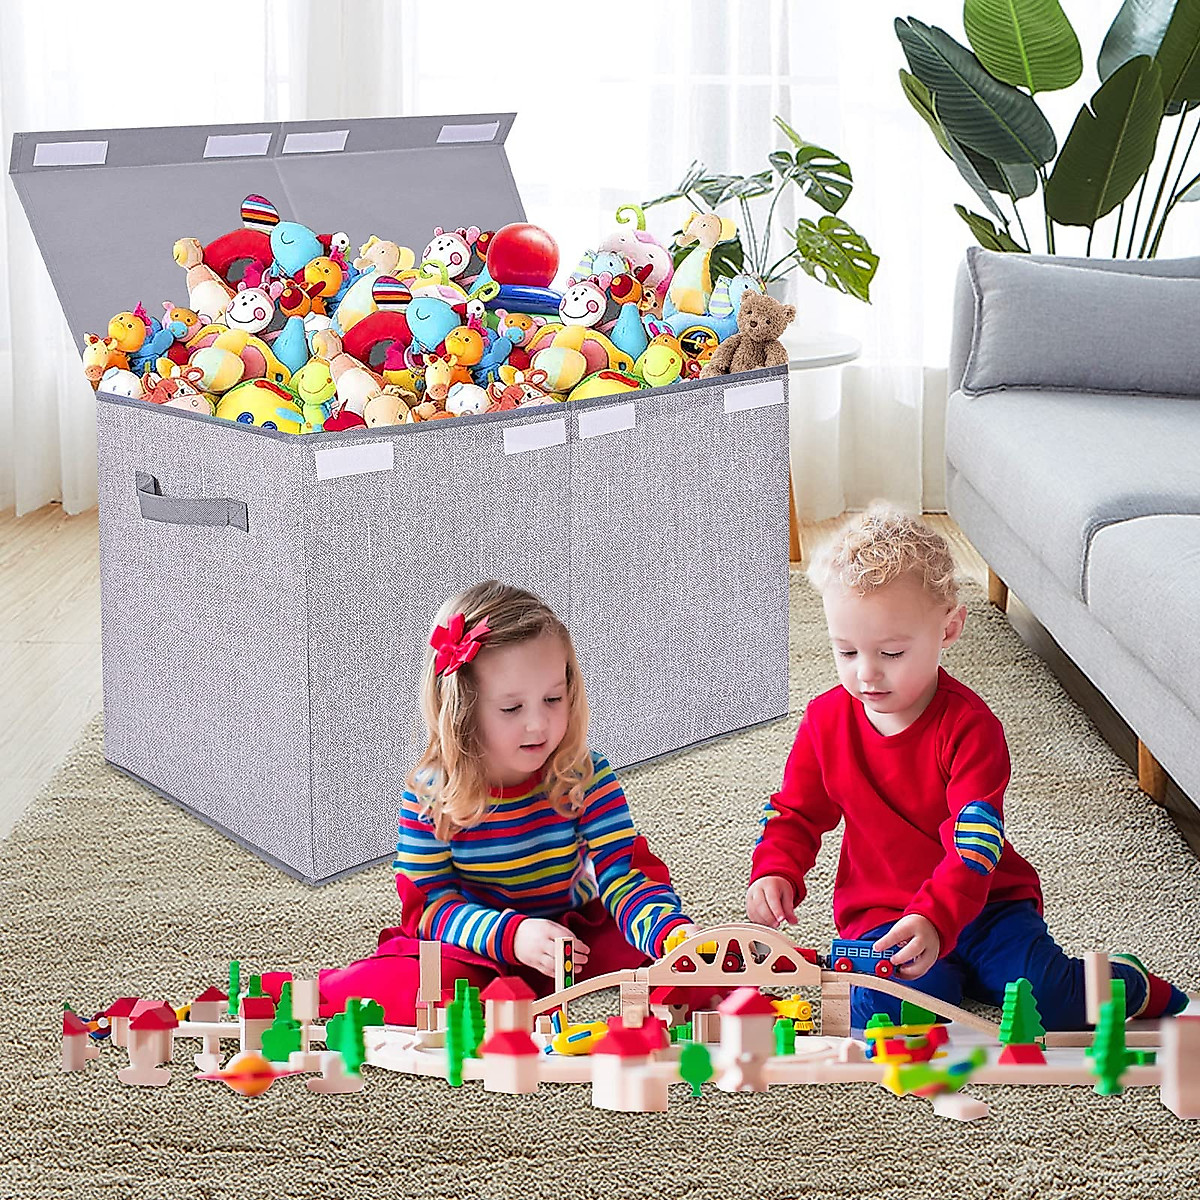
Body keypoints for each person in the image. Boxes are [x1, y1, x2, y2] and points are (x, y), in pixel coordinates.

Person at [746, 505, 1189, 1030]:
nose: (866, 674)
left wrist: (936, 919)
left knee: (1049, 999)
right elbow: (795, 811)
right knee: (888, 1013)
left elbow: (974, 845)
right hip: (883, 912)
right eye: (846, 652)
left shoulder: (970, 728)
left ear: (949, 628)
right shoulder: (824, 721)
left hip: (986, 905)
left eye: (891, 653)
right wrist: (775, 869)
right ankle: (962, 975)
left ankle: (1127, 981)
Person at [319, 580, 697, 1023]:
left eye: (553, 699)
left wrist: (670, 935)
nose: (538, 725)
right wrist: (512, 936)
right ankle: (310, 989)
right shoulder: (432, 792)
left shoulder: (584, 775)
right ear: (463, 710)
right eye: (512, 709)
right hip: (475, 943)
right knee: (411, 988)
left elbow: (624, 875)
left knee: (668, 959)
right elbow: (430, 906)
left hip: (570, 936)